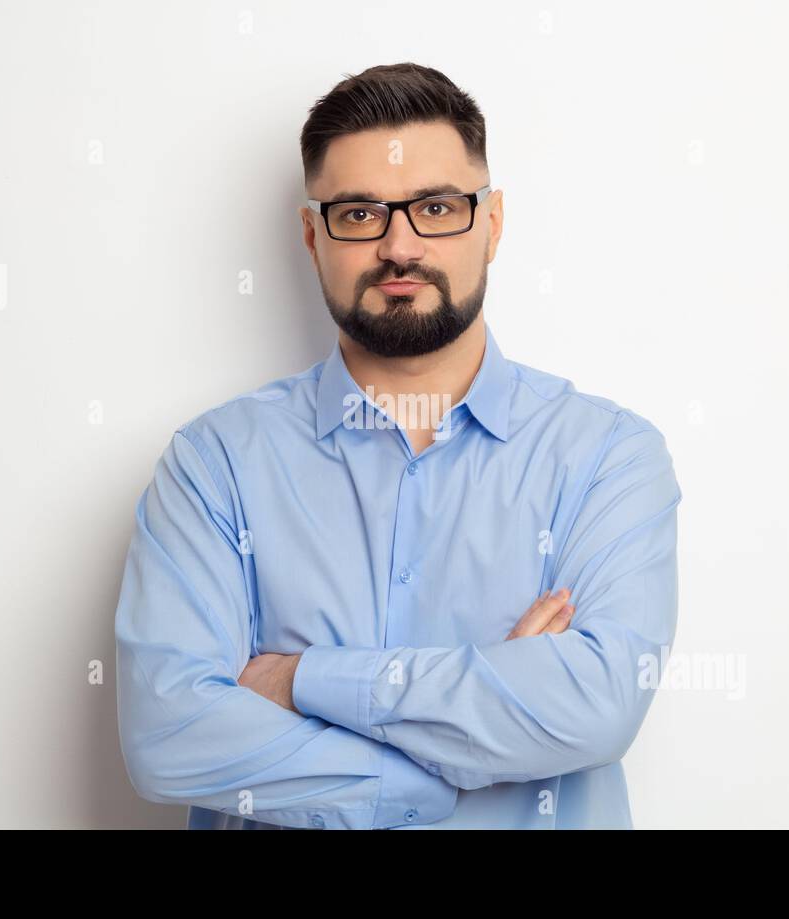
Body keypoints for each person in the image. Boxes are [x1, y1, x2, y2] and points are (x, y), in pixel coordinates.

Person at [114, 62, 682, 829]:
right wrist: (468, 737)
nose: (400, 246)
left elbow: (596, 707)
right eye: (359, 215)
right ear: (314, 236)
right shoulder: (216, 465)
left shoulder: (608, 457)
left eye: (438, 207)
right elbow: (168, 735)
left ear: (493, 222)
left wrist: (299, 680)